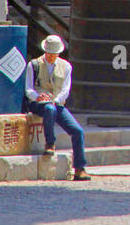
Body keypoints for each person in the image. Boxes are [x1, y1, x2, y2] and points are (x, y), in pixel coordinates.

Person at [24, 35, 89, 181]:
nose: (52, 57)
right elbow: (28, 89)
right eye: (50, 53)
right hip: (39, 103)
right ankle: (50, 143)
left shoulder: (66, 66)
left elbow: (66, 89)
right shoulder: (34, 65)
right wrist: (38, 97)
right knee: (49, 109)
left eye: (55, 54)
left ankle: (80, 168)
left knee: (77, 131)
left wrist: (57, 100)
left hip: (57, 103)